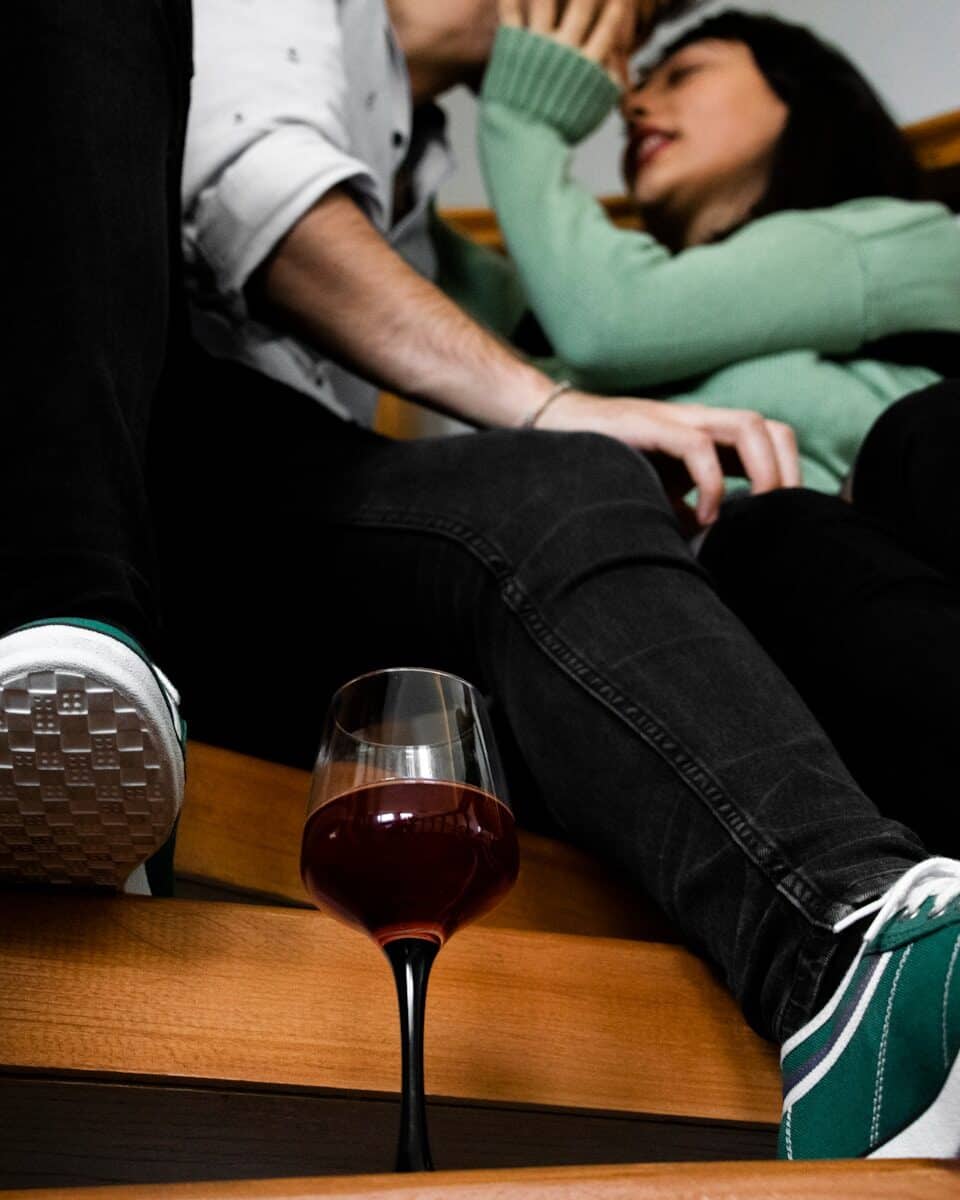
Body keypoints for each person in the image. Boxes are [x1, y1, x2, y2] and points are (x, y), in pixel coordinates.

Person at [1, 0, 958, 1162]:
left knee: (568, 496)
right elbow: (266, 200)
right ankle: (72, 628)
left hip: (270, 549)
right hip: (135, 462)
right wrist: (554, 384)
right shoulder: (299, 21)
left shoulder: (427, 182)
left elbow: (531, 356)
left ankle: (853, 955)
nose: (586, 30)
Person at [476, 4, 960, 841]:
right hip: (747, 660)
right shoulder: (572, 358)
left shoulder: (892, 234)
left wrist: (521, 111)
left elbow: (613, 318)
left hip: (905, 590)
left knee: (912, 439)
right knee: (753, 535)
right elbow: (428, 292)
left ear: (801, 101)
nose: (632, 106)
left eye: (682, 76)